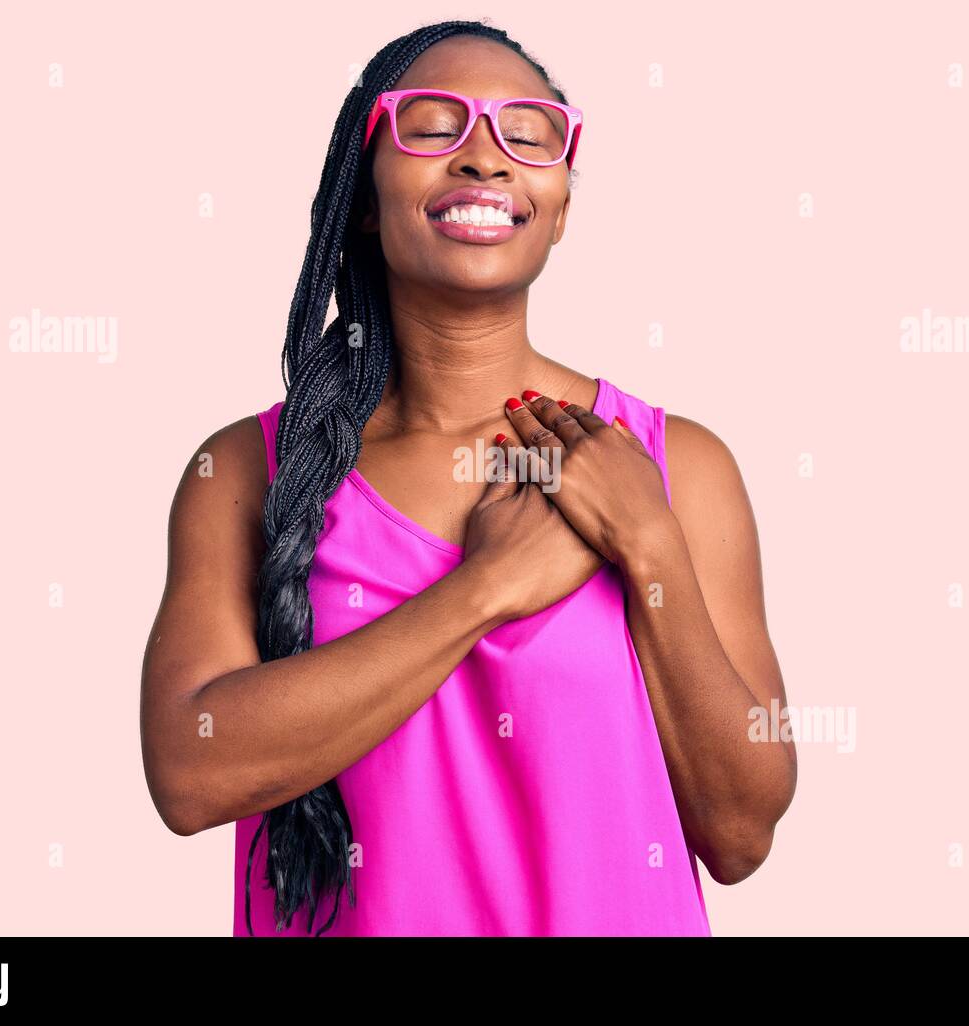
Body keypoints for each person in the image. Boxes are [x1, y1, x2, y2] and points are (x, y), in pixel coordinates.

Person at [140, 18, 796, 937]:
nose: (485, 158)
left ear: (560, 207)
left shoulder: (674, 463)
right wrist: (485, 590)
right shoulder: (248, 471)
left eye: (526, 135)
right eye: (433, 127)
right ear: (365, 196)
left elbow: (741, 834)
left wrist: (648, 542)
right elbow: (189, 773)